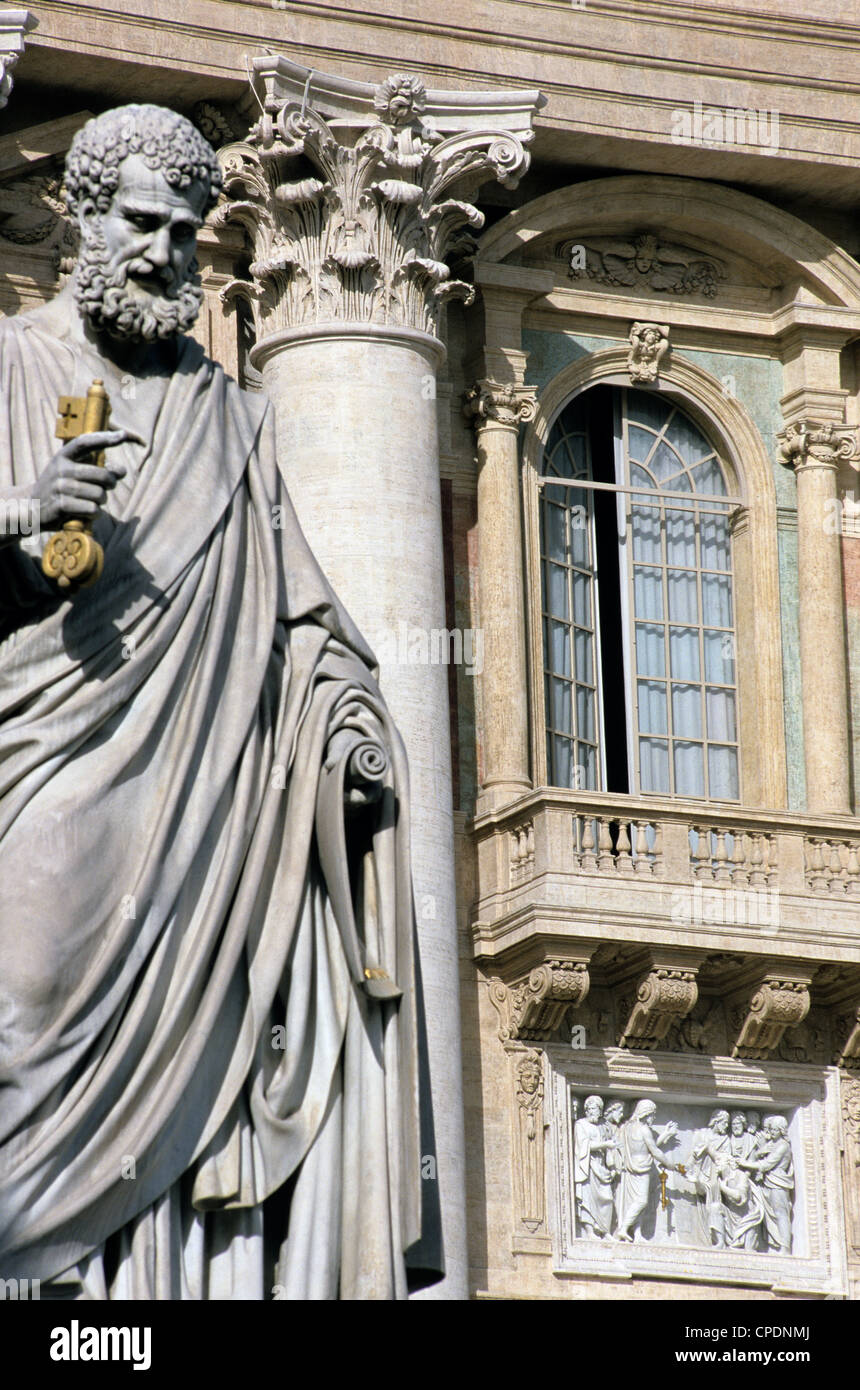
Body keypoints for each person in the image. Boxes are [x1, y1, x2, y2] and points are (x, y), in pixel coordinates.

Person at [0, 104, 441, 1300]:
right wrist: (19, 515)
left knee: (211, 1056)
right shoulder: (7, 365)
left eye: (187, 233)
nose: (162, 250)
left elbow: (300, 610)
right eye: (140, 221)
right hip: (48, 761)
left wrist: (351, 719)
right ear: (80, 217)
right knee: (23, 1011)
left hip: (211, 804)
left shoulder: (231, 416)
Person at [615, 1099, 681, 1242]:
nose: (653, 1118)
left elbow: (645, 1147)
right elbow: (655, 1152)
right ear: (646, 1114)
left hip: (630, 1167)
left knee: (635, 1201)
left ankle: (637, 1233)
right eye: (652, 1115)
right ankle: (624, 1228)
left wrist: (665, 1135)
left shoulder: (626, 1127)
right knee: (641, 1201)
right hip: (641, 1168)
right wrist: (671, 1165)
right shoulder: (644, 1129)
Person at [573, 1096, 615, 1238]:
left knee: (607, 1198)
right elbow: (583, 1146)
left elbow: (610, 1146)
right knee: (588, 1199)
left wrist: (612, 1166)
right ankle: (590, 1231)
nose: (592, 1112)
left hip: (601, 1166)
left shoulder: (603, 1126)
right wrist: (605, 1145)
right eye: (589, 1109)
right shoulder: (580, 1124)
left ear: (601, 1111)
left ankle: (605, 1230)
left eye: (595, 1109)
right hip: (587, 1165)